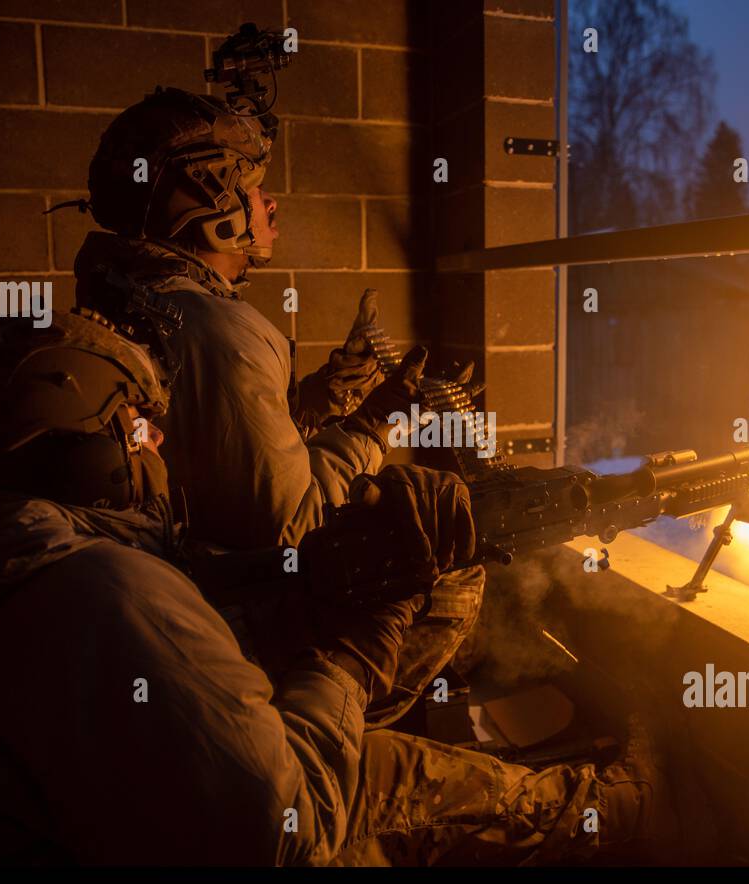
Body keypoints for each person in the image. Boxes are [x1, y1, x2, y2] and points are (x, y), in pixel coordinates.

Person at [0, 312, 678, 865]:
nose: (156, 449)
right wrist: (355, 649)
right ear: (75, 438)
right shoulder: (100, 589)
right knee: (392, 775)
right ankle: (625, 813)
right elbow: (287, 827)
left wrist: (303, 590)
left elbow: (176, 634)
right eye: (140, 426)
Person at [65, 84, 484, 727]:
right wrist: (375, 424)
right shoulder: (218, 329)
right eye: (253, 189)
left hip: (154, 598)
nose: (269, 204)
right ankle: (334, 749)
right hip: (220, 621)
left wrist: (333, 393)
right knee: (454, 564)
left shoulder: (137, 297)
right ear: (215, 211)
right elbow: (293, 534)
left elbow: (213, 446)